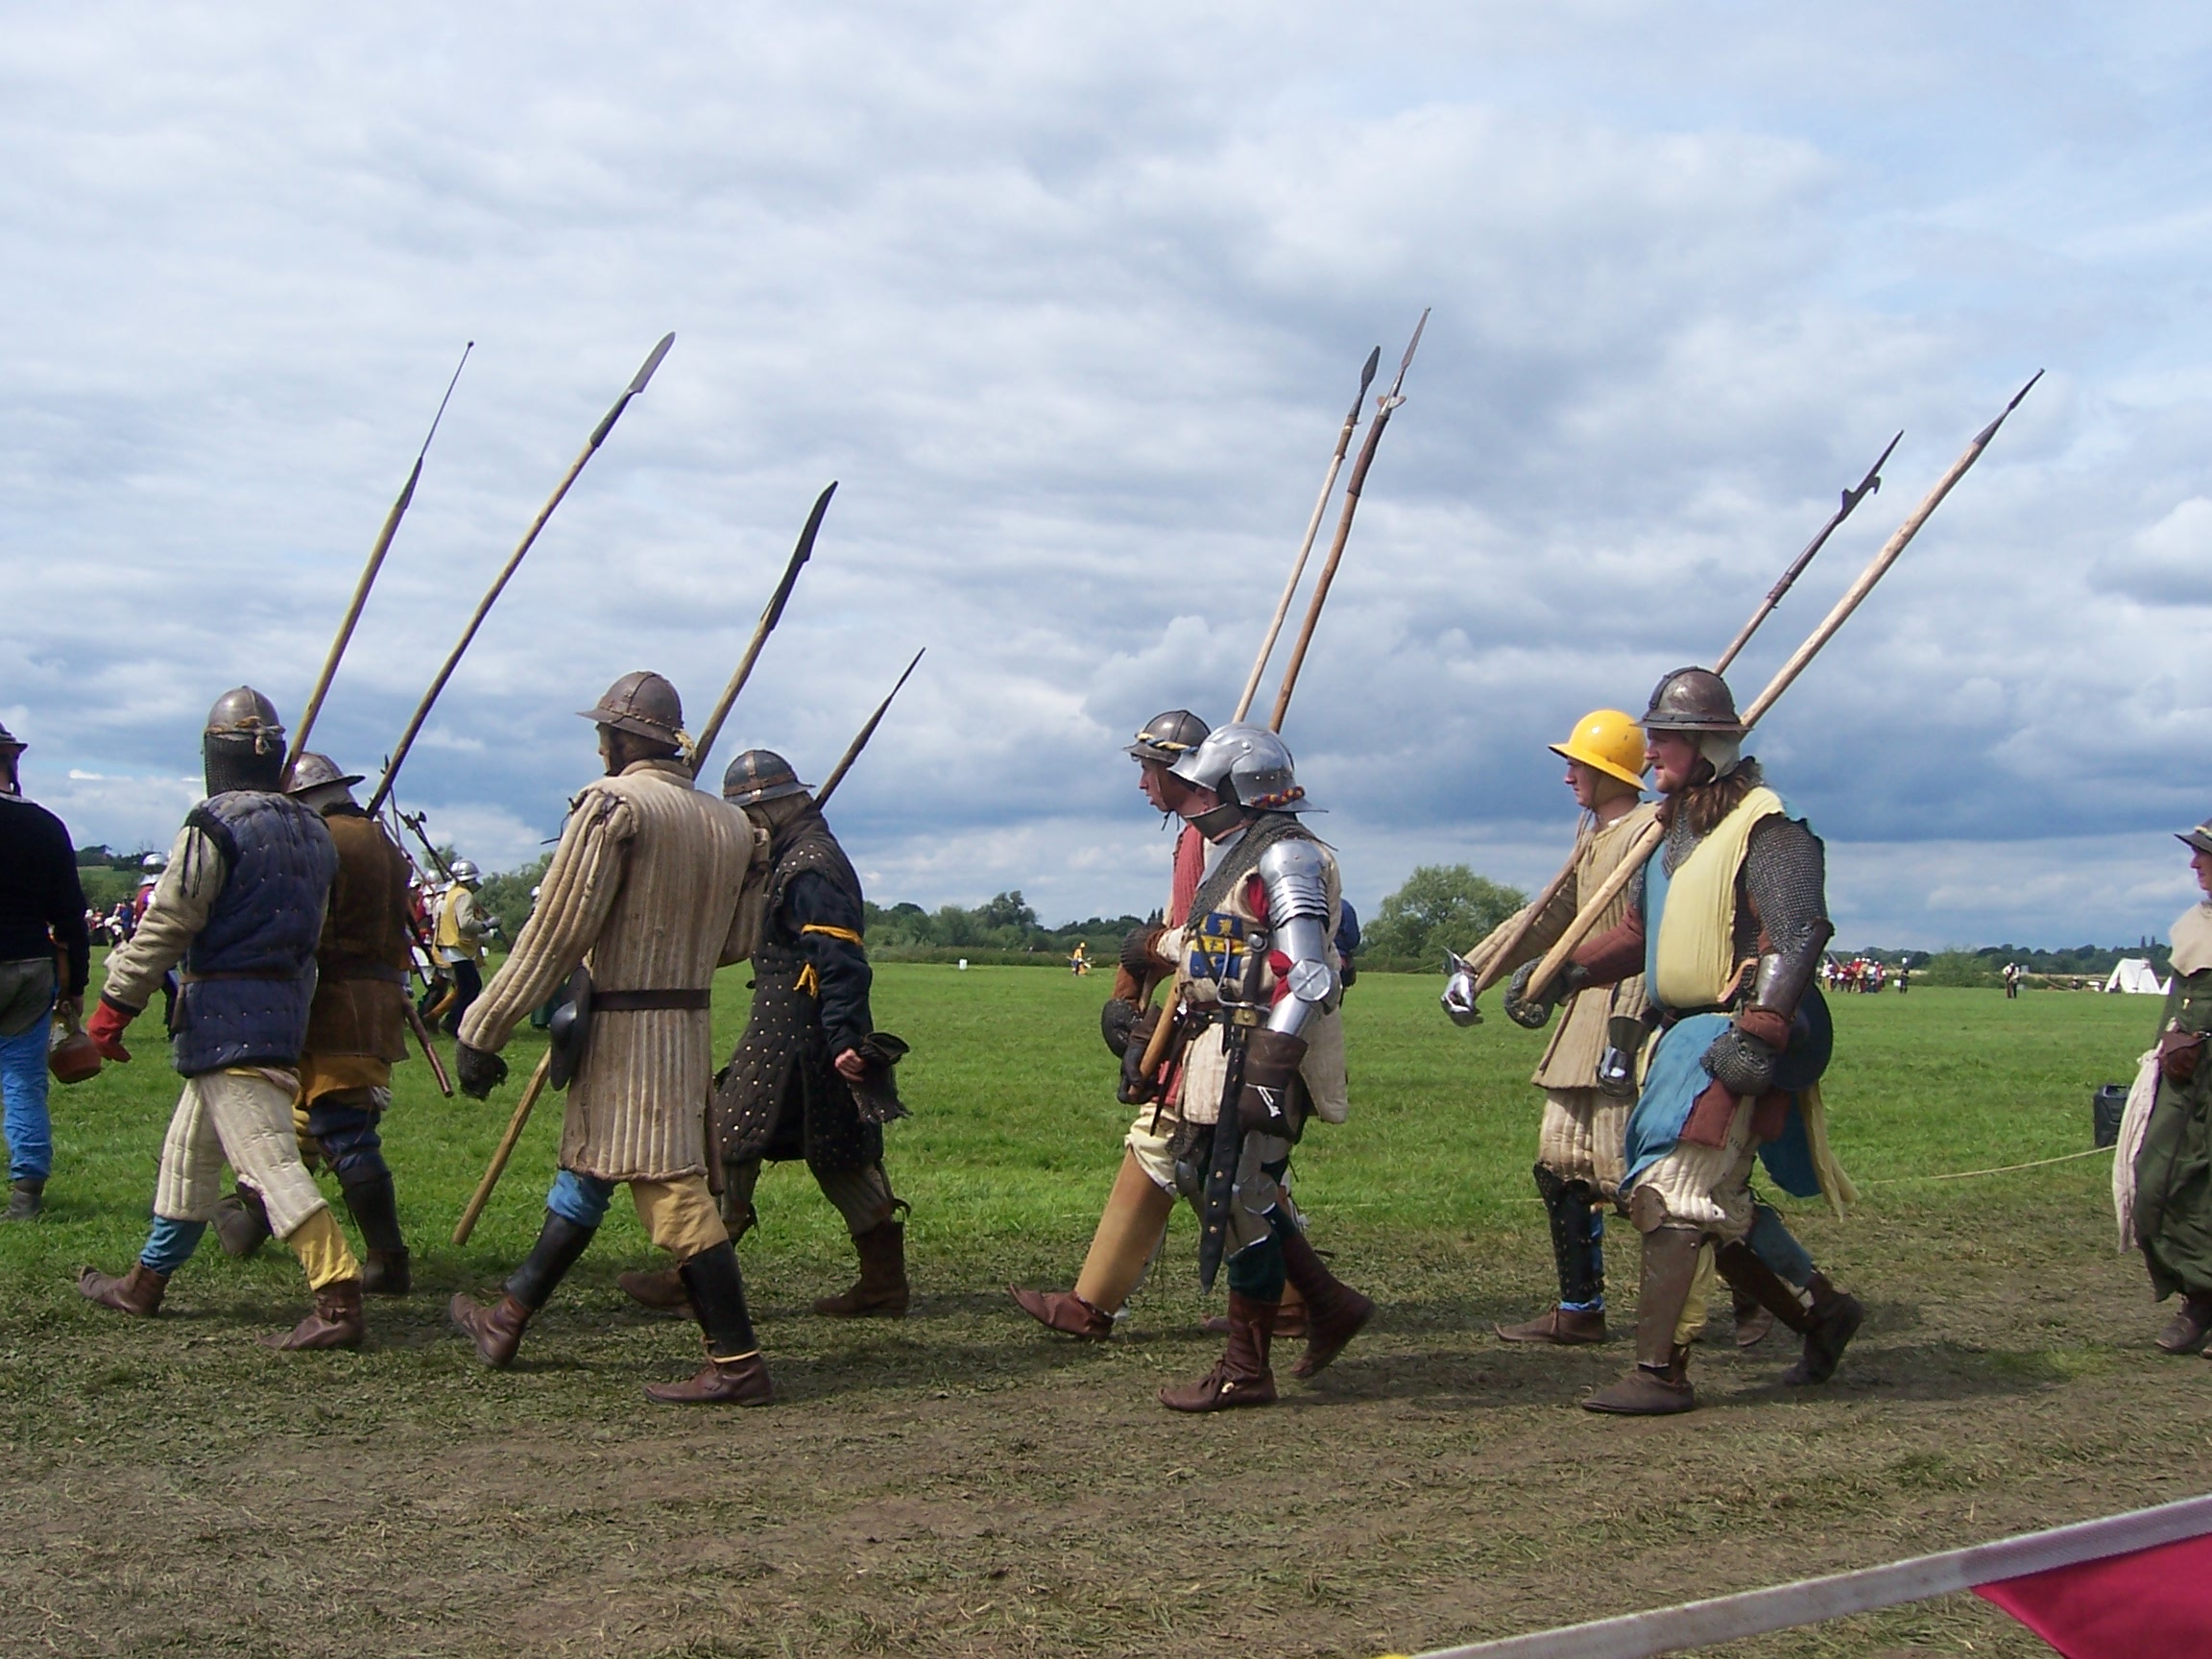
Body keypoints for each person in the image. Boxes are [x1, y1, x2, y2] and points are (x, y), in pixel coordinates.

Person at [1506, 669, 1863, 1414]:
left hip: (1733, 1028)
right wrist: (1566, 973)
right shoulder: (1678, 827)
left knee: (1668, 1194)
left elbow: (1798, 934)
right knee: (1722, 1207)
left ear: (1708, 745)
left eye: (1664, 738)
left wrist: (1761, 1032)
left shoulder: (1770, 825)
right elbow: (1640, 935)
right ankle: (1822, 1312)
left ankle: (1659, 1372)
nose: (1650, 751)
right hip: (1679, 1035)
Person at [449, 671, 765, 1403]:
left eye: (604, 734)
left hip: (629, 1037)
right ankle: (508, 1316)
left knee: (670, 1191)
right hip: (681, 1027)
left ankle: (739, 1363)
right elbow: (733, 944)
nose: (598, 747)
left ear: (625, 739)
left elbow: (556, 933)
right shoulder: (732, 825)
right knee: (589, 1170)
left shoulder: (612, 806)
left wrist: (484, 1026)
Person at [78, 688, 365, 1348]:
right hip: (277, 1009)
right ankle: (144, 1285)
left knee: (268, 1162)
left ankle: (339, 1300)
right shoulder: (313, 831)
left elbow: (170, 921)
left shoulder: (215, 824)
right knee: (187, 1156)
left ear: (217, 753)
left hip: (231, 1017)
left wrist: (113, 1007)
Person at [1129, 722, 1370, 1411]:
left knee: (1237, 1193)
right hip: (1220, 1044)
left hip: (1265, 1049)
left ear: (1243, 790)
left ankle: (1246, 1368)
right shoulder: (1236, 853)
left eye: (1211, 788)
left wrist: (1271, 1065)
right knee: (1221, 1181)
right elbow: (1219, 948)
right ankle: (1329, 1304)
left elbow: (1310, 974)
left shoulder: (1287, 857)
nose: (1199, 801)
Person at [635, 747, 912, 1320]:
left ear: (769, 809)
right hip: (788, 1028)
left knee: (744, 1139)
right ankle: (876, 1283)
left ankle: (700, 1279)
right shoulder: (792, 857)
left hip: (800, 1035)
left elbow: (840, 960)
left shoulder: (810, 864)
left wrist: (843, 1040)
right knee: (802, 1150)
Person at [1446, 709, 1659, 1345]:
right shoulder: (1595, 837)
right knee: (1561, 1164)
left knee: (1640, 1178)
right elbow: (1544, 920)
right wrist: (1475, 971)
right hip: (1582, 1017)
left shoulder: (1654, 833)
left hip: (1630, 1011)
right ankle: (1579, 1307)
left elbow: (1646, 933)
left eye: (1578, 766)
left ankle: (1758, 1292)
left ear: (1605, 771)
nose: (1568, 777)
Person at [209, 754, 418, 1294]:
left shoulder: (326, 842)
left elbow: (309, 924)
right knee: (309, 1114)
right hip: (373, 997)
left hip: (336, 999)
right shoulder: (381, 842)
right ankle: (249, 1220)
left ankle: (387, 1259)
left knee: (344, 1132)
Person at [0, 720, 90, 1222]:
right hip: (31, 969)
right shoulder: (45, 825)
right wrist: (75, 984)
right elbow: (71, 916)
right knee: (22, 1079)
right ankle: (26, 1192)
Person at [2130, 816, 2212, 1355]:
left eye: (2204, 854)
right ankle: (2197, 1291)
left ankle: (2204, 1304)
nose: (2195, 863)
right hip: (2186, 1079)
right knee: (2156, 1180)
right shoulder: (2195, 922)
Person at [435, 858, 491, 1035]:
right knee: (470, 987)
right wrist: (486, 926)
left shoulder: (451, 893)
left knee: (469, 986)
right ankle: (453, 1022)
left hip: (453, 945)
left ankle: (454, 1021)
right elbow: (466, 923)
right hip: (460, 945)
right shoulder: (464, 895)